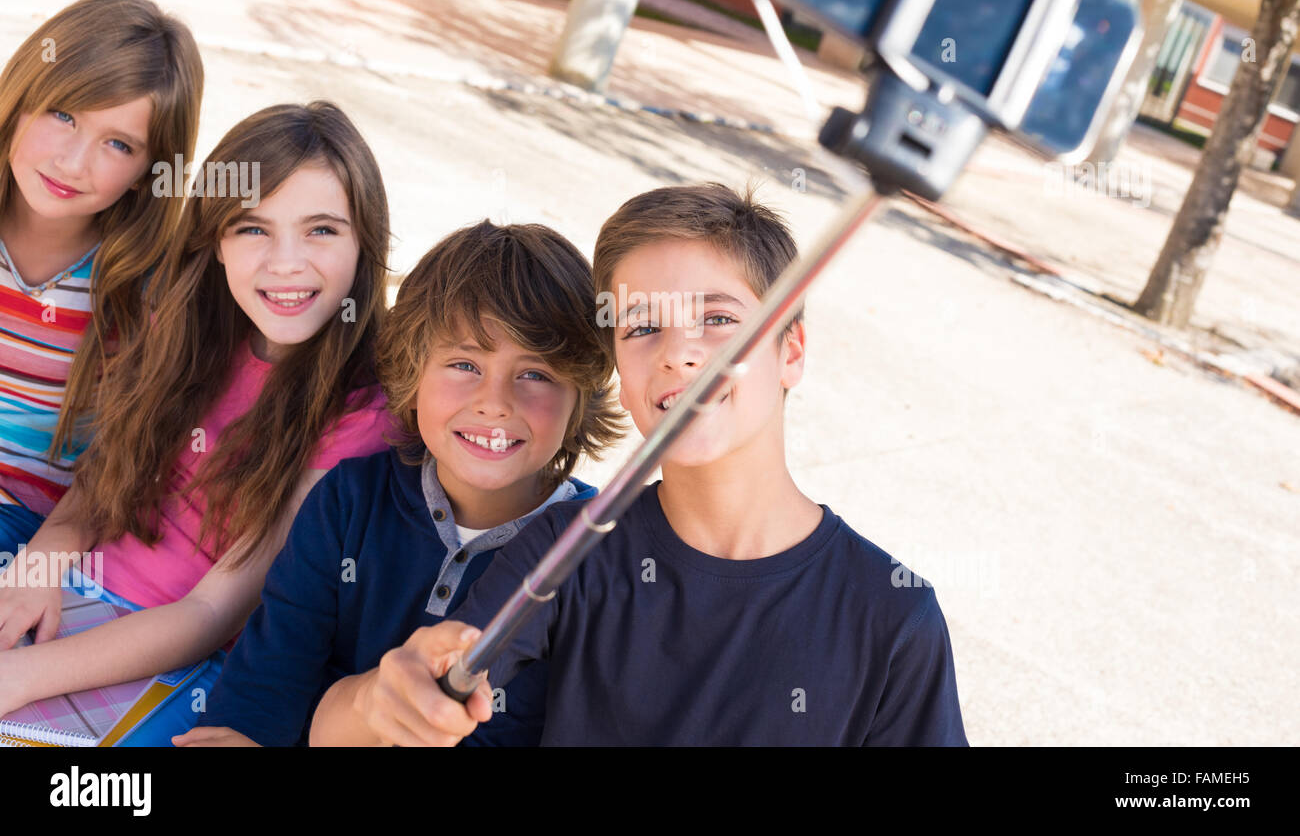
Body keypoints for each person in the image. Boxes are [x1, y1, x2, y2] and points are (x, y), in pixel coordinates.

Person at [311, 182, 968, 745]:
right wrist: (382, 697)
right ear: (618, 369)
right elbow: (376, 710)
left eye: (717, 318)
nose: (680, 353)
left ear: (790, 349)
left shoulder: (894, 617)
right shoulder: (564, 551)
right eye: (643, 326)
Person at [0, 102, 396, 744]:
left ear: (365, 242)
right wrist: (36, 571)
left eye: (321, 230)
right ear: (214, 241)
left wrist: (20, 678)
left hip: (179, 659)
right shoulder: (187, 329)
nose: (286, 263)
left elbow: (213, 612)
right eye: (252, 229)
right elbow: (105, 478)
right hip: (72, 590)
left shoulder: (360, 411)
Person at [174, 220, 625, 746]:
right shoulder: (348, 502)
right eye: (463, 363)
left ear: (581, 400)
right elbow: (271, 672)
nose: (496, 401)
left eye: (536, 374)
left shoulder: (591, 557)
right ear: (412, 377)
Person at [0, 0, 203, 554]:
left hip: (28, 534)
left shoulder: (146, 291)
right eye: (63, 115)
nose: (73, 161)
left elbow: (120, 466)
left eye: (117, 144)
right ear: (21, 98)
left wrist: (40, 567)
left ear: (147, 172)